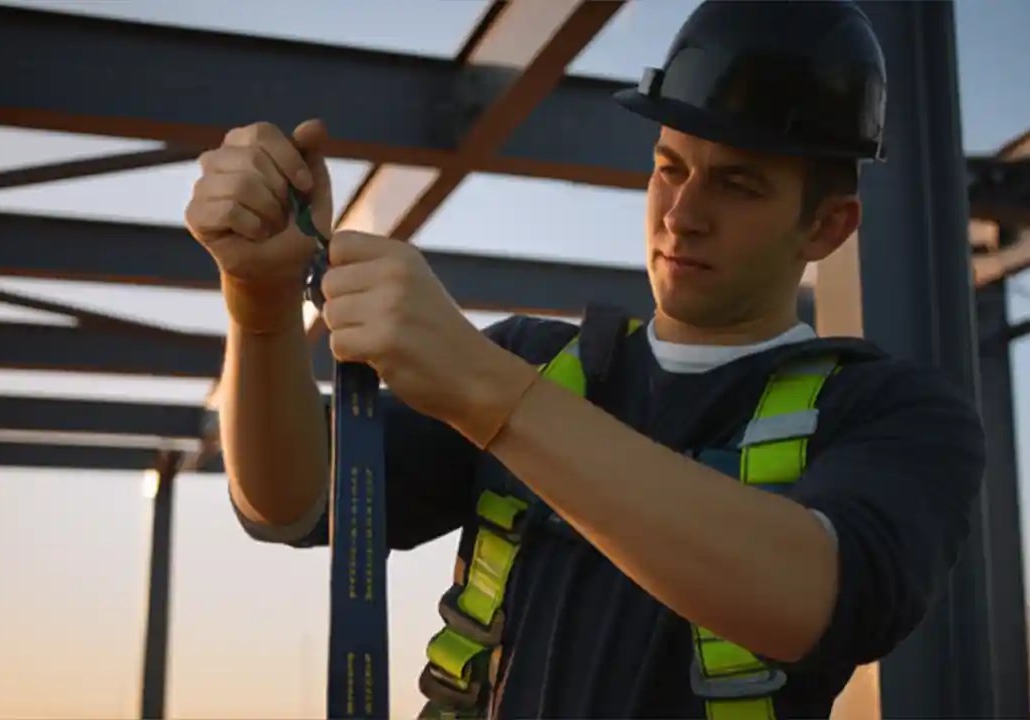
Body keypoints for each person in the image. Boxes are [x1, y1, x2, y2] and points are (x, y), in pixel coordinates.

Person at [184, 1, 985, 717]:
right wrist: (260, 310)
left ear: (827, 227)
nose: (683, 214)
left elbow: (815, 597)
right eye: (669, 168)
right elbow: (289, 501)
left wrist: (486, 393)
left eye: (737, 185)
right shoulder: (539, 361)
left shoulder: (893, 415)